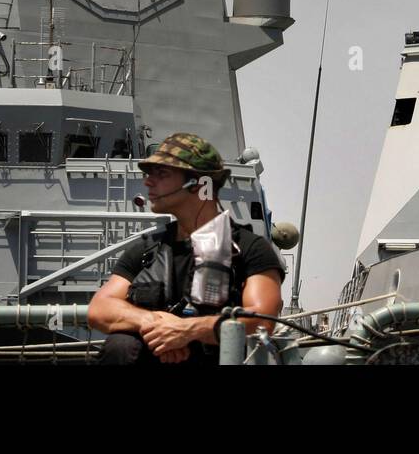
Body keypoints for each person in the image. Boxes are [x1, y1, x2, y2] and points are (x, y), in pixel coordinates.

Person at [87, 133, 284, 365]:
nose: (148, 181)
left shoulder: (249, 249)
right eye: (149, 174)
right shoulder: (147, 251)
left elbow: (262, 319)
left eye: (162, 174)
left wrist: (187, 331)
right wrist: (154, 322)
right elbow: (100, 308)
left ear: (200, 184)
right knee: (122, 346)